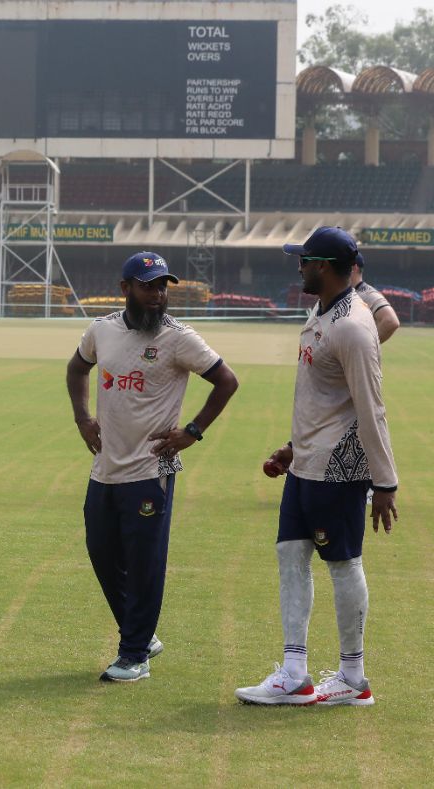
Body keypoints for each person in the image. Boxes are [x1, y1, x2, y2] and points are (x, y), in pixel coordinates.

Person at [236, 227, 398, 706]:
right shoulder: (322, 310)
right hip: (306, 463)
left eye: (302, 260)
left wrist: (384, 482)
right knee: (290, 555)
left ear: (323, 267)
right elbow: (325, 399)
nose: (298, 267)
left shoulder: (352, 326)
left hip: (340, 469)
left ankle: (353, 677)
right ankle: (293, 672)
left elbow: (372, 408)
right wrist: (293, 446)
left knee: (343, 563)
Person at [66, 252, 238, 682]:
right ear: (126, 289)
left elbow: (226, 381)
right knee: (101, 551)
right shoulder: (102, 330)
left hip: (150, 469)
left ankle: (134, 655)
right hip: (105, 466)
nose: (158, 295)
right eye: (148, 285)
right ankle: (140, 633)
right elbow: (76, 367)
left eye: (163, 286)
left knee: (144, 563)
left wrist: (192, 432)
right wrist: (83, 418)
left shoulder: (179, 339)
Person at [350, 253, 399, 343]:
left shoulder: (367, 294)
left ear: (354, 268)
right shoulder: (349, 293)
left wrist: (368, 346)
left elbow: (391, 321)